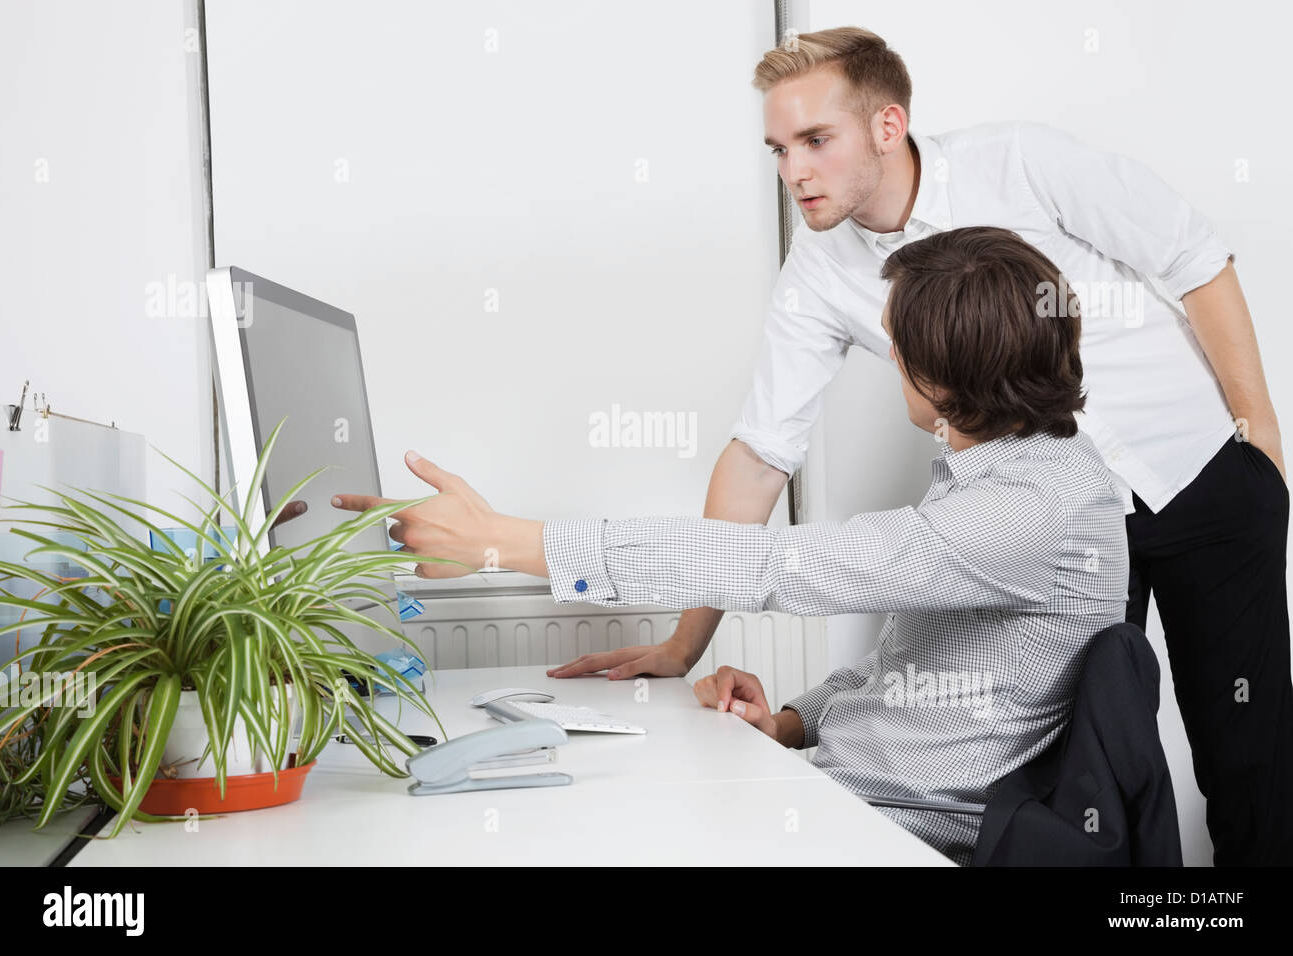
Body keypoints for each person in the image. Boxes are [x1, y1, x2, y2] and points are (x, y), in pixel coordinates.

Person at [537, 26, 1291, 866]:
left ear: (888, 126)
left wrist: (1259, 440)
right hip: (1051, 532)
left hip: (1192, 474)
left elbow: (1191, 256)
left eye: (816, 141)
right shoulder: (818, 275)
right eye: (779, 149)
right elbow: (759, 454)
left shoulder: (1020, 162)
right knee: (1070, 774)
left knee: (1247, 756)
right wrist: (686, 645)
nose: (794, 172)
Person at [333, 226, 1129, 865]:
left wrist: (507, 541)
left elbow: (780, 566)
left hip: (894, 832)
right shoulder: (1005, 476)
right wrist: (790, 721)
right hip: (850, 793)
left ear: (949, 374)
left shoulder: (1030, 509)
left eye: (900, 347)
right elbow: (913, 674)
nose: (891, 360)